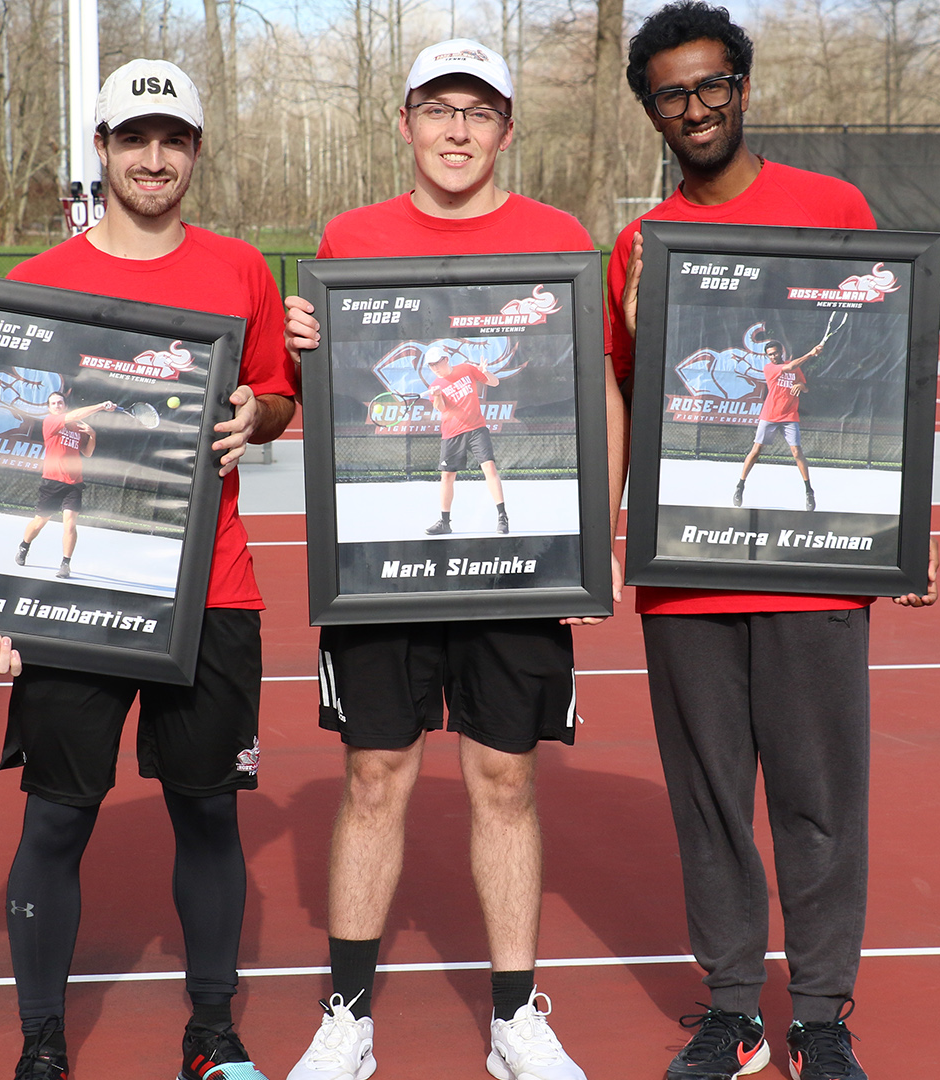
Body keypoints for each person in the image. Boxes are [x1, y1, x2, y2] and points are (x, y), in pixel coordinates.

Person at [607, 6, 940, 1080]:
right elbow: (621, 392)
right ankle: (735, 1011)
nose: (695, 108)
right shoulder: (639, 246)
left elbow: (886, 369)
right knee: (710, 801)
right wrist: (602, 536)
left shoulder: (832, 209)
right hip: (686, 573)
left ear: (742, 88)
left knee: (818, 794)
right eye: (671, 93)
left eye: (711, 86)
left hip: (816, 568)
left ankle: (823, 1014)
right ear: (649, 109)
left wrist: (903, 529)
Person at [278, 37, 621, 1080]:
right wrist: (308, 349)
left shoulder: (557, 238)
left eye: (479, 111)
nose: (459, 130)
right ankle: (347, 1017)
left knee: (502, 780)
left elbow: (598, 388)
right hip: (382, 574)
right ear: (406, 123)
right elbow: (326, 412)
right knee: (376, 773)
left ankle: (516, 1018)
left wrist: (591, 539)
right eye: (439, 108)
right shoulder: (352, 238)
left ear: (507, 129)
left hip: (521, 571)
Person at [0, 58, 297, 1080]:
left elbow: (277, 395)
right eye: (134, 139)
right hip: (76, 604)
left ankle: (211, 1032)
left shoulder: (242, 269)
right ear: (101, 150)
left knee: (207, 812)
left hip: (212, 591)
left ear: (194, 150)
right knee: (59, 817)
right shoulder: (32, 287)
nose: (155, 159)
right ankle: (43, 1045)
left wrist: (260, 416)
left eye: (175, 140)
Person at [17, 391, 118, 577]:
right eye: (53, 403)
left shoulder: (76, 427)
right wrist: (101, 405)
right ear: (49, 408)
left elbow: (87, 453)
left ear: (65, 404)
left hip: (74, 484)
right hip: (52, 483)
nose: (57, 406)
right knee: (40, 522)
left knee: (70, 525)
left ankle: (65, 564)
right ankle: (24, 546)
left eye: (60, 403)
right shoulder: (50, 421)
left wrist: (93, 435)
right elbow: (74, 415)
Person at [422, 339, 508, 535]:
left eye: (437, 363)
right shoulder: (435, 385)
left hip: (477, 429)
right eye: (431, 365)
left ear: (446, 359)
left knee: (489, 466)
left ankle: (502, 517)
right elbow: (441, 408)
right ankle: (445, 523)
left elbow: (494, 382)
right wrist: (437, 395)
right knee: (447, 477)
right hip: (452, 434)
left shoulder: (467, 369)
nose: (435, 368)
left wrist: (486, 373)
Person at [733, 336, 819, 511]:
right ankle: (740, 486)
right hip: (770, 415)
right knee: (756, 451)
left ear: (781, 352)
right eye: (769, 355)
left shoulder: (794, 368)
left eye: (775, 353)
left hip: (789, 416)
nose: (772, 357)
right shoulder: (770, 368)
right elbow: (790, 367)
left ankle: (809, 491)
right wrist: (811, 354)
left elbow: (805, 386)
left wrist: (802, 387)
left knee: (797, 452)